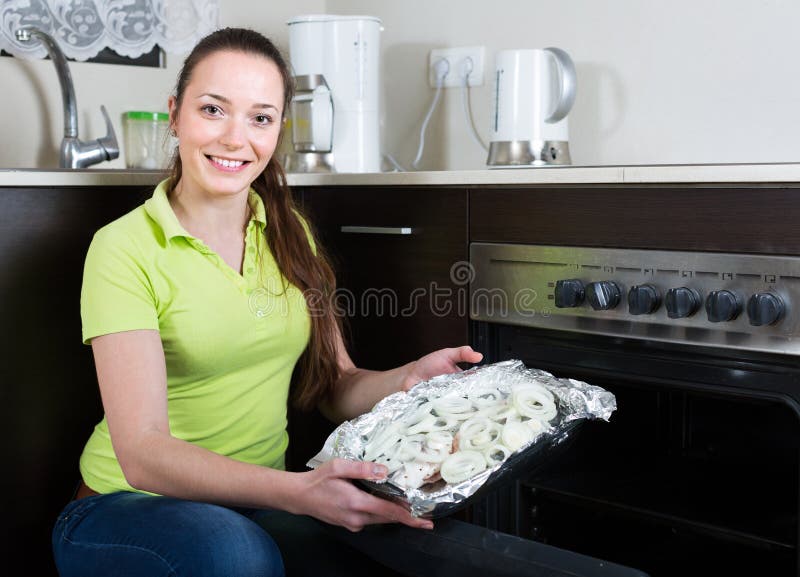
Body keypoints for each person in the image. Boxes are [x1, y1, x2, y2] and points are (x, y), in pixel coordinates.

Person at [51, 27, 482, 577]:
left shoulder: (288, 232)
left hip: (257, 504)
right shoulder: (123, 248)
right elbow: (142, 453)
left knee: (397, 551)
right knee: (236, 553)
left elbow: (333, 385)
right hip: (122, 509)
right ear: (175, 115)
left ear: (278, 130)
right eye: (213, 109)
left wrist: (408, 379)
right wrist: (298, 492)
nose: (236, 138)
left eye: (260, 118)